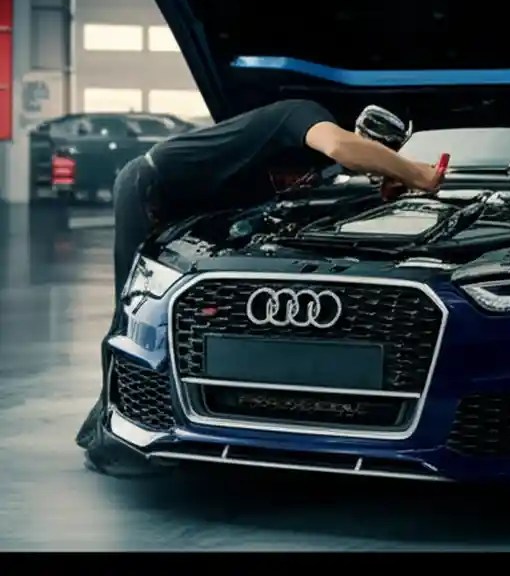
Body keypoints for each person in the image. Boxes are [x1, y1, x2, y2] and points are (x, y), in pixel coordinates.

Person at [76, 98, 443, 475]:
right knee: (131, 313)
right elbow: (340, 147)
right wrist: (420, 175)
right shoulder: (302, 114)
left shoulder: (322, 170)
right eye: (380, 151)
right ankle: (107, 442)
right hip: (150, 189)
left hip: (198, 210)